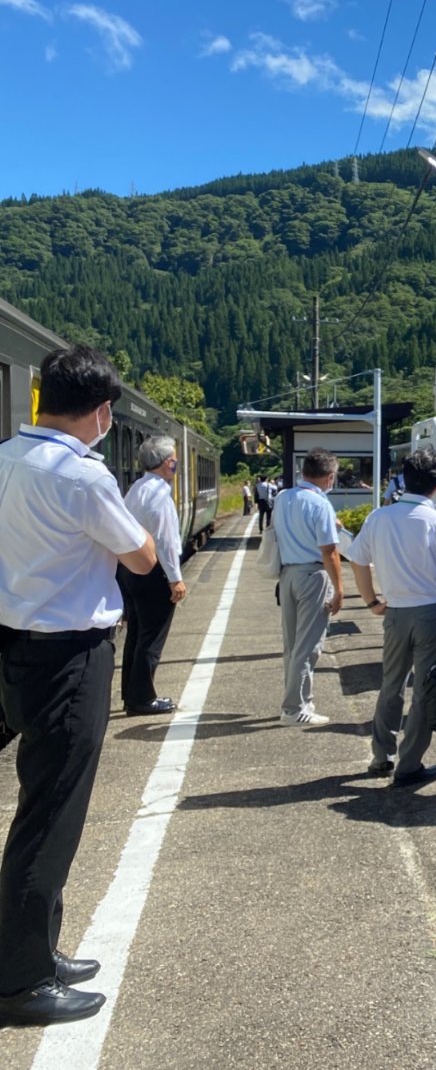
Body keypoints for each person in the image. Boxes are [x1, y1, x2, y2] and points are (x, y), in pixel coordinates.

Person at [0, 345, 157, 1026]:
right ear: (101, 412)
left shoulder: (5, 455)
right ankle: (23, 979)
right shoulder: (84, 477)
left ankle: (39, 946)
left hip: (13, 647)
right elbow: (142, 557)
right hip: (69, 655)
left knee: (43, 800)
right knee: (50, 813)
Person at [346, 448, 436, 788]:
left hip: (395, 612)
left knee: (392, 682)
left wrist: (371, 601)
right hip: (431, 612)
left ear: (404, 479)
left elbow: (357, 560)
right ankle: (410, 762)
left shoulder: (379, 518)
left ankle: (381, 754)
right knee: (426, 689)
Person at [116, 436, 187, 716]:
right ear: (167, 463)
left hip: (131, 570)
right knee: (152, 637)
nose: (175, 464)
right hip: (154, 572)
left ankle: (131, 694)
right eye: (173, 460)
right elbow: (166, 541)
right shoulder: (160, 495)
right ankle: (143, 698)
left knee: (136, 633)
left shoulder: (136, 488)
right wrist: (175, 578)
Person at [274, 450, 344, 726]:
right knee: (309, 645)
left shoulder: (283, 498)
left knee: (292, 643)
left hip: (288, 574)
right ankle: (294, 708)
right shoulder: (320, 504)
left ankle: (297, 700)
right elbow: (330, 552)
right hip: (313, 575)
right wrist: (339, 589)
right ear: (329, 477)